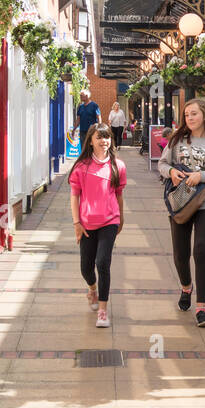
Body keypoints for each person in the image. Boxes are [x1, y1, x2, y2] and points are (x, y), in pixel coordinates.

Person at [158, 98, 205, 328]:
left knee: (201, 250)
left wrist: (203, 176)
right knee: (180, 254)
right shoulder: (177, 140)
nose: (190, 118)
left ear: (204, 116)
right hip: (180, 200)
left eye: (194, 114)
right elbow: (162, 164)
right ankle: (186, 287)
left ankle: (202, 307)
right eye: (187, 115)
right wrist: (171, 171)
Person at [69, 122, 127, 329]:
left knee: (103, 263)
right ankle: (92, 288)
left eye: (107, 137)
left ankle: (103, 310)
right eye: (99, 137)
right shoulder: (81, 167)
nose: (104, 141)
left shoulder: (117, 166)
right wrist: (77, 223)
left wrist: (121, 217)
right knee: (86, 267)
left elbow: (119, 194)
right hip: (86, 223)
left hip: (109, 220)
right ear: (91, 141)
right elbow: (74, 196)